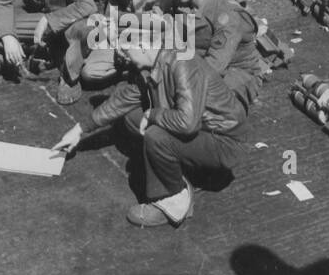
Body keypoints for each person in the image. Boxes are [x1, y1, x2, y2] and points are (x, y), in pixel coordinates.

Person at [51, 31, 250, 228]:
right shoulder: (154, 63)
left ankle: (173, 198)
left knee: (155, 134)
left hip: (224, 143)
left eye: (126, 51)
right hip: (203, 132)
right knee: (131, 117)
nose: (122, 56)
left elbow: (188, 123)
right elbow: (124, 100)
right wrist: (79, 129)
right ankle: (176, 166)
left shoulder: (182, 64)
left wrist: (153, 115)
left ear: (144, 47)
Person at [164, 0, 268, 110]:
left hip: (236, 73)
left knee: (193, 104)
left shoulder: (227, 15)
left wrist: (178, 82)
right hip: (197, 62)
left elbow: (213, 68)